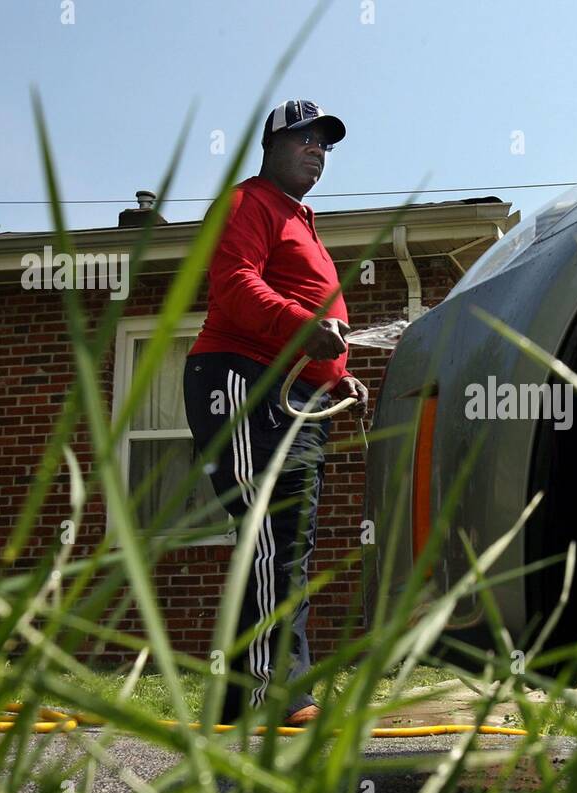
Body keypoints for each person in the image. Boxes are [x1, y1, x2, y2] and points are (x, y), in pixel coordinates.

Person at [183, 99, 369, 726]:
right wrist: (303, 328)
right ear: (271, 145)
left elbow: (309, 316)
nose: (317, 148)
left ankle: (239, 696)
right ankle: (279, 692)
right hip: (241, 380)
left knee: (280, 538)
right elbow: (234, 284)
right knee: (273, 533)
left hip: (295, 392)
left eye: (325, 142)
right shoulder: (248, 203)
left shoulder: (303, 220)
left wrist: (339, 376)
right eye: (305, 138)